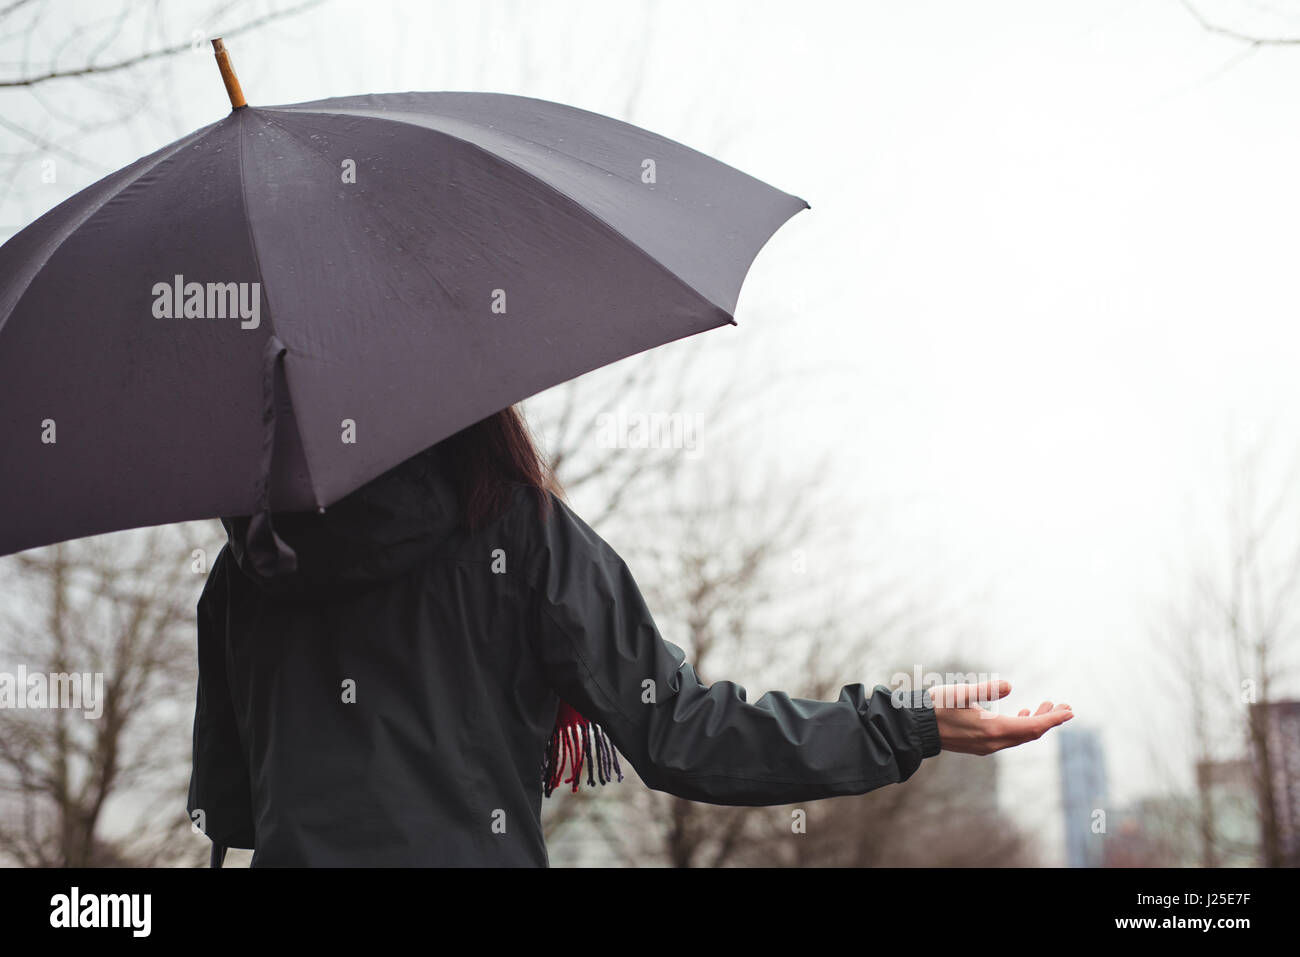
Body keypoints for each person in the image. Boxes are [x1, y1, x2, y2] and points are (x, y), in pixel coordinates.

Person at [187, 405, 1073, 866]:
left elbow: (231, 809)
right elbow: (681, 733)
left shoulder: (244, 577)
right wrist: (903, 724)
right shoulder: (519, 532)